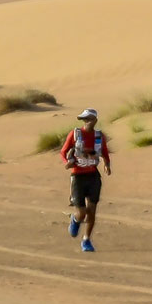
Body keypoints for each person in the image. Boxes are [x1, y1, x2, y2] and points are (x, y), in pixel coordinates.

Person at [60, 108, 111, 252]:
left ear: (95, 120)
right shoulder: (75, 134)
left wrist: (107, 165)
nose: (87, 121)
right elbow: (64, 151)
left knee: (92, 210)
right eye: (84, 119)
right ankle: (75, 220)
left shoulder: (99, 136)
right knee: (81, 212)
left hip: (93, 176)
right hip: (78, 176)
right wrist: (67, 162)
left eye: (89, 118)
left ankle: (86, 240)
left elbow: (105, 153)